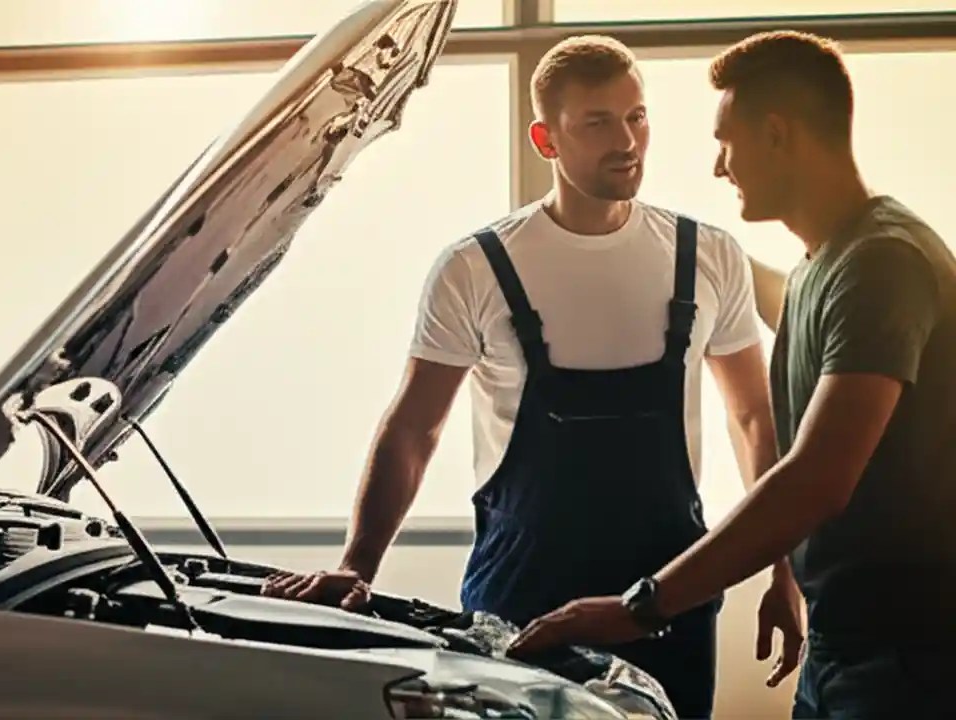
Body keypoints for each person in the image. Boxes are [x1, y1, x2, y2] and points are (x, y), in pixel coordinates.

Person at [261, 34, 803, 718]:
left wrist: (785, 568)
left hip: (665, 596)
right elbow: (413, 430)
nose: (627, 140)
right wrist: (356, 566)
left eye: (636, 116)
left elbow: (754, 417)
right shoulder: (476, 268)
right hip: (519, 597)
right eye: (597, 122)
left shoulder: (707, 256)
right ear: (547, 139)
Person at [504, 30, 956, 719]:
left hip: (909, 658)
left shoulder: (882, 263)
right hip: (846, 648)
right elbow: (749, 289)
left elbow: (816, 479)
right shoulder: (822, 265)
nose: (719, 167)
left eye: (727, 141)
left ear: (777, 135)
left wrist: (639, 606)